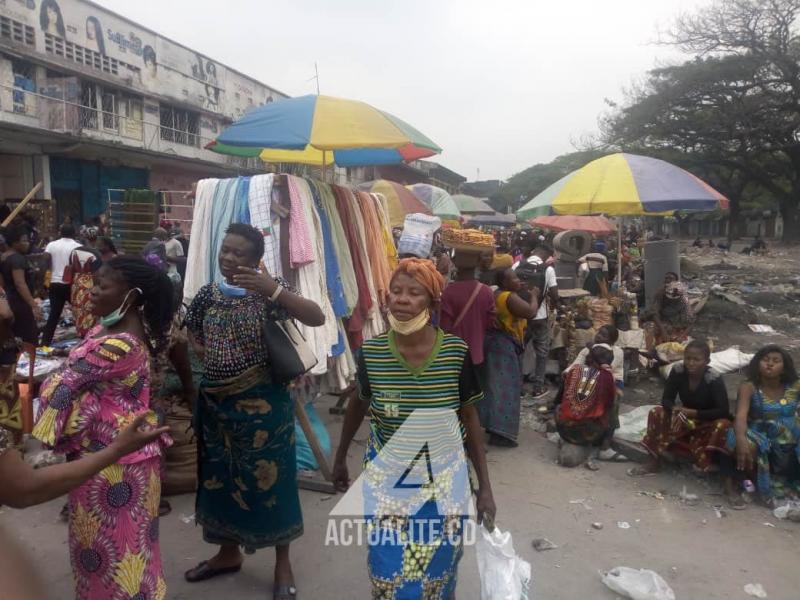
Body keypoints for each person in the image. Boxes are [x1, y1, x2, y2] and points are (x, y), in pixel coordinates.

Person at [332, 258, 495, 599]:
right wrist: (340, 458)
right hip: (388, 481)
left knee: (438, 572)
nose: (402, 299)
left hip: (444, 482)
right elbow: (358, 405)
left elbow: (469, 418)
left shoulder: (454, 353)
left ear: (432, 303)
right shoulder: (372, 354)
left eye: (414, 293)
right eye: (396, 291)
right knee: (388, 572)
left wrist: (485, 489)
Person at [184, 223, 324, 599]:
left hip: (265, 408)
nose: (228, 258)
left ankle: (283, 563)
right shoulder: (207, 295)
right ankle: (227, 554)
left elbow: (316, 317)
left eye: (238, 253)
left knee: (272, 484)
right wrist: (208, 357)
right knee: (220, 482)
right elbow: (192, 332)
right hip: (217, 406)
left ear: (255, 260)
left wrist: (273, 289)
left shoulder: (269, 292)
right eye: (224, 250)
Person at [32, 256, 176, 600]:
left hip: (114, 466)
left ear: (131, 296)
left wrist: (66, 389)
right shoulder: (110, 330)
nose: (91, 293)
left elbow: (58, 387)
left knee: (114, 551)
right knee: (112, 548)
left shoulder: (118, 343)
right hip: (114, 457)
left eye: (102, 286)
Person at [629, 341, 731, 477]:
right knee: (656, 412)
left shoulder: (713, 378)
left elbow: (723, 410)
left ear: (707, 361)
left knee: (723, 424)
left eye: (696, 359)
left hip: (707, 420)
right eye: (688, 358)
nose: (691, 363)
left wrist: (695, 413)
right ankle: (654, 461)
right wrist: (674, 408)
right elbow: (666, 399)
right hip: (685, 417)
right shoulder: (678, 371)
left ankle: (709, 465)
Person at [721, 345, 800, 508]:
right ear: (758, 363)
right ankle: (747, 481)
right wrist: (741, 438)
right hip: (760, 432)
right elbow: (741, 415)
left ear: (784, 367)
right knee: (740, 442)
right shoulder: (749, 387)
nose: (769, 364)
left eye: (776, 361)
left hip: (791, 432)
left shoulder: (795, 385)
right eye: (766, 360)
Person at [481, 268, 540, 447]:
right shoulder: (508, 297)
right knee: (507, 389)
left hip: (493, 343)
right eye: (514, 278)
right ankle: (502, 434)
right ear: (504, 282)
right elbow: (530, 312)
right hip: (504, 346)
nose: (518, 281)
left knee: (494, 387)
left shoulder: (495, 293)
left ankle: (493, 427)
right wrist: (535, 295)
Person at [440, 250, 496, 391]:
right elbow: (490, 324)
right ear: (478, 262)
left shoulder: (448, 292)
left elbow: (444, 329)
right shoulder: (486, 291)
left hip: (453, 357)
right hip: (478, 355)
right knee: (475, 397)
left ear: (454, 261)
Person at [555, 345, 617, 465]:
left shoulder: (574, 370)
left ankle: (565, 439)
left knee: (559, 408)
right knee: (615, 402)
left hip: (564, 430)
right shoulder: (607, 377)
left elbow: (562, 397)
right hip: (589, 434)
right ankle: (605, 447)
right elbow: (609, 404)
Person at [516, 244, 559, 399]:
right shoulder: (548, 269)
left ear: (533, 252)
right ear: (547, 255)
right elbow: (554, 294)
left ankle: (518, 387)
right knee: (542, 353)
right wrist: (554, 308)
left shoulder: (517, 265)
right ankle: (538, 388)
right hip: (540, 317)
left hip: (520, 316)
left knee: (519, 351)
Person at [40, 224, 81, 346]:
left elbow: (45, 261)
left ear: (60, 232)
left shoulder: (51, 245)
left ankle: (44, 344)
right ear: (74, 233)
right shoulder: (78, 246)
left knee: (54, 315)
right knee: (79, 313)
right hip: (71, 284)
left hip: (54, 283)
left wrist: (45, 281)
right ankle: (84, 340)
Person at [0, 226, 40, 346]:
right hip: (21, 304)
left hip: (9, 302)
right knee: (30, 339)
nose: (27, 243)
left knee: (15, 338)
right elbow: (20, 284)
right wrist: (33, 305)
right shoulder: (18, 259)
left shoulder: (3, 257)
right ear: (15, 242)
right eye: (24, 240)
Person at [643, 273, 694, 350]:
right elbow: (654, 313)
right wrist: (663, 331)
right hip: (664, 322)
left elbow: (691, 321)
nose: (668, 280)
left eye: (671, 278)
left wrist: (682, 336)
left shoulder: (684, 298)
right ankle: (648, 351)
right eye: (666, 278)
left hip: (678, 324)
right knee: (649, 327)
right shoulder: (660, 294)